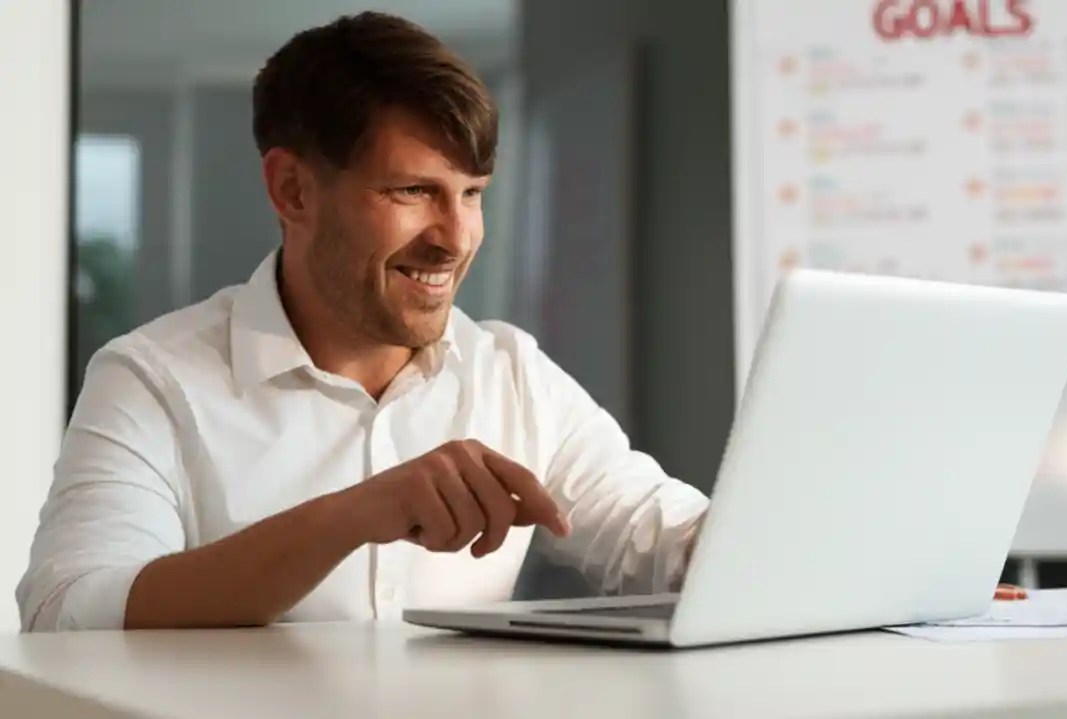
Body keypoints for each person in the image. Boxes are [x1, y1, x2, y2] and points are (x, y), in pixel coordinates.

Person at [16, 11, 709, 631]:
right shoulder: (152, 378)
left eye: (471, 194)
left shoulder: (512, 374)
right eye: (412, 191)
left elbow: (664, 541)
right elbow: (68, 611)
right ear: (292, 189)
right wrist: (351, 516)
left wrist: (762, 535)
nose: (456, 236)